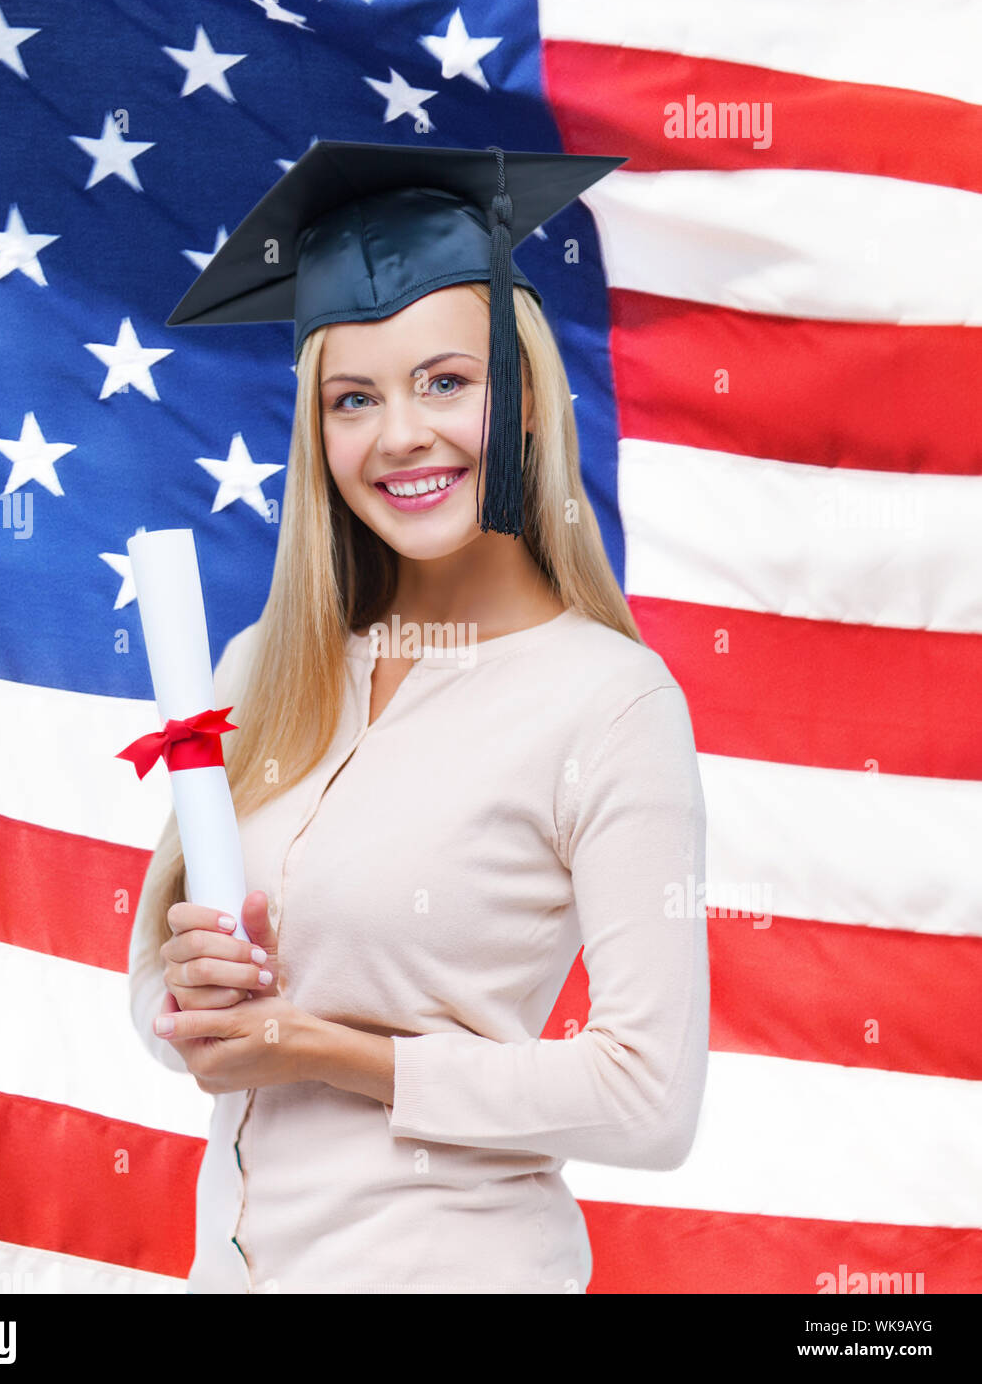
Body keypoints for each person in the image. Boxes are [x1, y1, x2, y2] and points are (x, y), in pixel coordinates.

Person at [127, 140, 710, 1294]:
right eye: (355, 398)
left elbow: (652, 1099)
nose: (400, 434)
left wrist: (329, 1052)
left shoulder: (607, 701)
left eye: (445, 381)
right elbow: (162, 997)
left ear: (527, 397)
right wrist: (185, 997)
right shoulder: (265, 666)